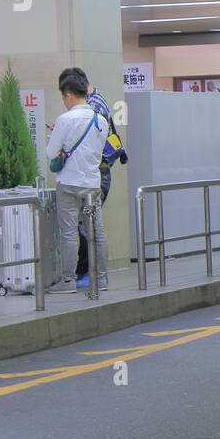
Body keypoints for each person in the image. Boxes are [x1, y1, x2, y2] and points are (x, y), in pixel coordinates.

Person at [61, 68, 128, 285]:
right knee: (90, 227)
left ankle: (87, 275)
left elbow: (90, 145)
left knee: (85, 228)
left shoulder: (93, 107)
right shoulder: (96, 104)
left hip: (92, 176)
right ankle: (96, 276)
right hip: (94, 179)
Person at [46, 70, 109, 294]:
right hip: (92, 185)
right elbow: (100, 151)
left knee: (69, 232)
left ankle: (68, 280)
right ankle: (101, 278)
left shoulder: (65, 119)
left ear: (69, 95)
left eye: (63, 97)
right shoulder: (100, 120)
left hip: (69, 186)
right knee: (97, 231)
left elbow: (51, 152)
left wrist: (57, 143)